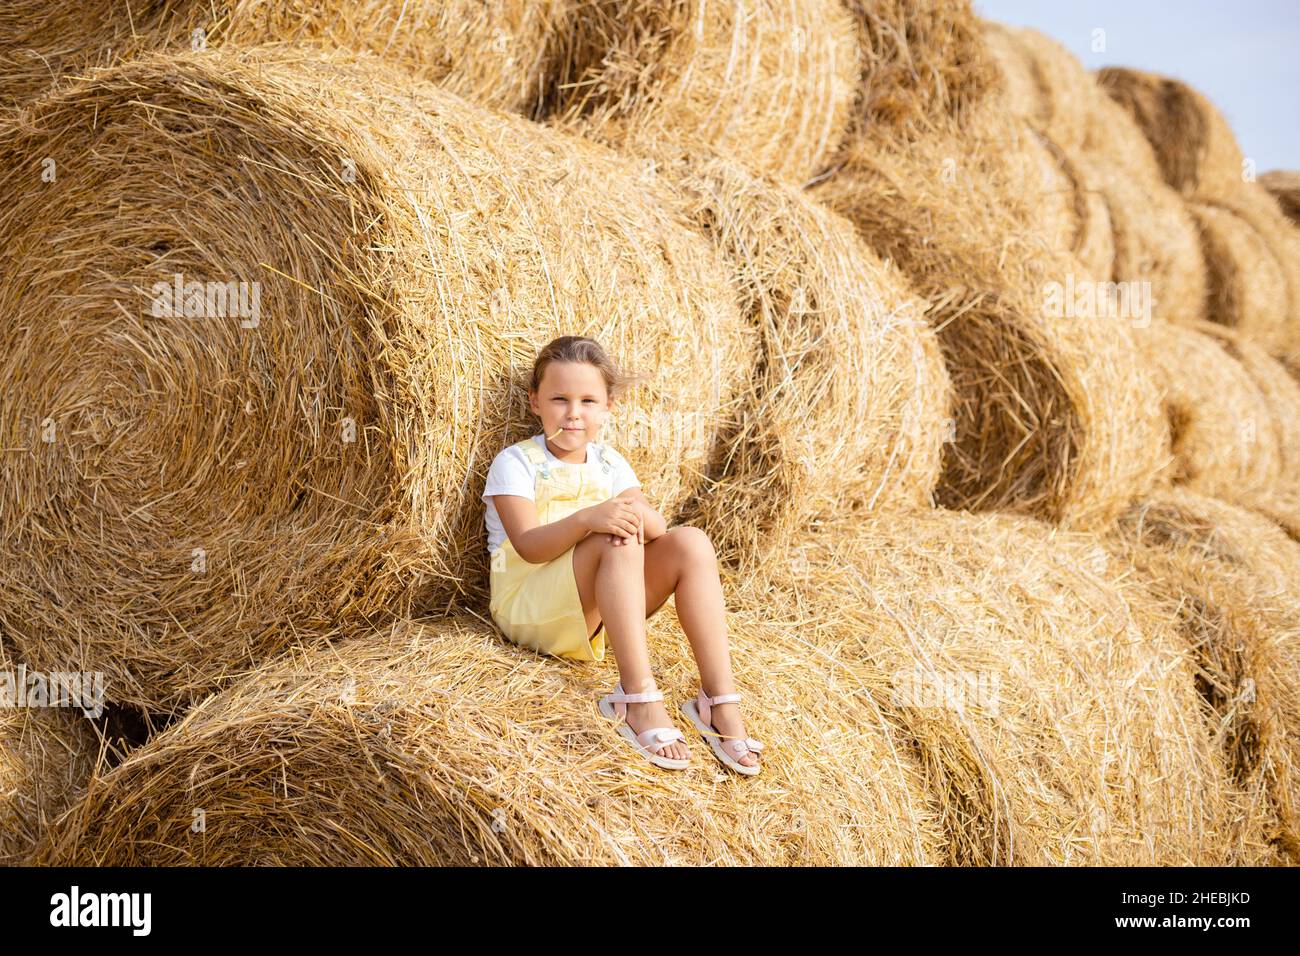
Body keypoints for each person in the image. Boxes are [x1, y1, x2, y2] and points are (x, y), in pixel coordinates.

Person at [482, 335, 763, 775]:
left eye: (588, 401)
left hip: (602, 612)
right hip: (531, 607)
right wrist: (591, 518)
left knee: (692, 543)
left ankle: (718, 702)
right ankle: (636, 698)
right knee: (614, 535)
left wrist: (628, 512)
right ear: (535, 402)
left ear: (608, 406)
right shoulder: (516, 462)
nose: (574, 413)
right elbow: (529, 547)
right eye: (560, 399)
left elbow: (658, 528)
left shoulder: (611, 464)